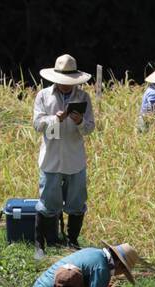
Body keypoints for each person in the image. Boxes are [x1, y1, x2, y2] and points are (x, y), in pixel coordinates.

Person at [33, 54, 96, 255]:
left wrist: (79, 122)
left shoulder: (83, 97)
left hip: (74, 159)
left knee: (77, 203)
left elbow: (90, 128)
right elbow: (37, 124)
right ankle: (43, 243)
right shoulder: (43, 96)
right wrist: (53, 119)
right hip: (51, 158)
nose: (66, 86)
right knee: (48, 203)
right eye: (62, 82)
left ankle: (72, 241)